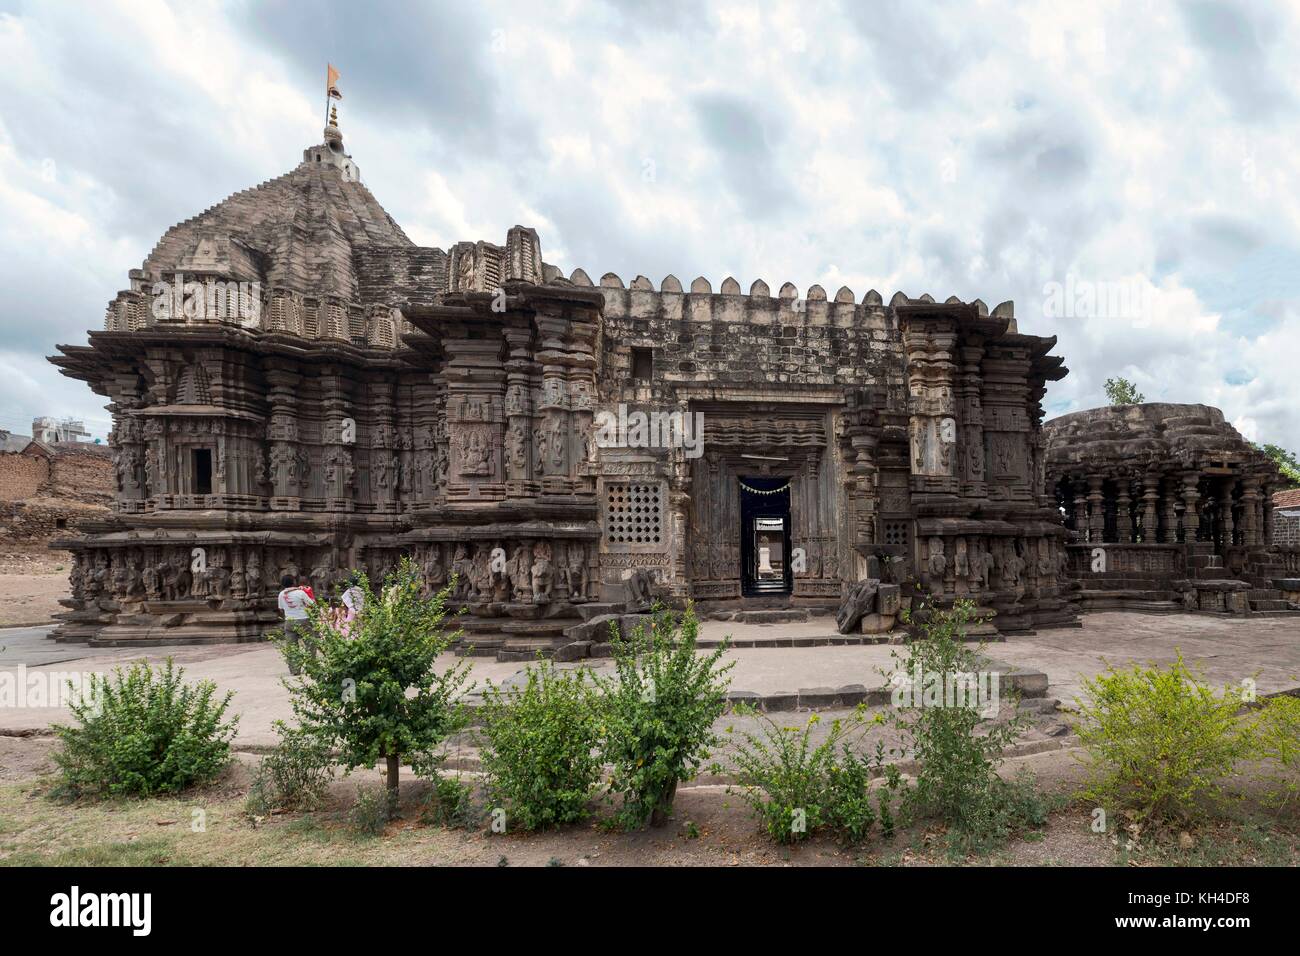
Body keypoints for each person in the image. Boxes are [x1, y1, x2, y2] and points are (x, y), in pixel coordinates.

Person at [277, 575, 316, 675]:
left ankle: (295, 670)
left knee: (291, 647)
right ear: (293, 582)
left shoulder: (281, 594)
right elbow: (312, 605)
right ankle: (311, 667)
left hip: (289, 622)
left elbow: (281, 609)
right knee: (310, 644)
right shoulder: (300, 592)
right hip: (304, 620)